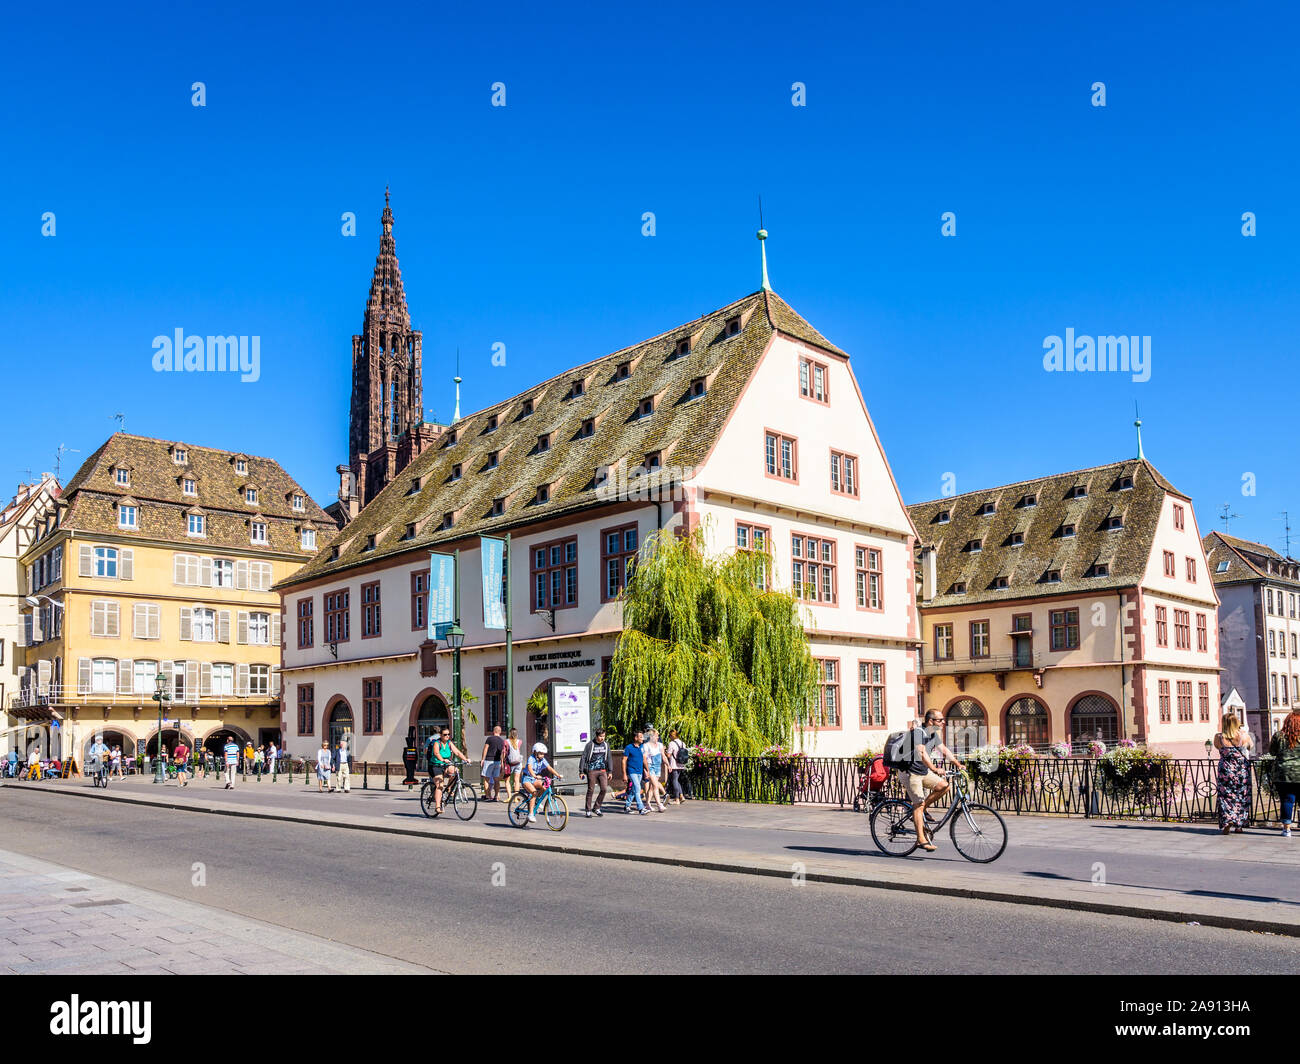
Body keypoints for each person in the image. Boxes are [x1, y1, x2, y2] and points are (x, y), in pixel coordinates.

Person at [901, 710, 964, 853]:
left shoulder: (933, 734)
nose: (943, 722)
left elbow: (944, 750)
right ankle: (920, 839)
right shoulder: (919, 732)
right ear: (931, 721)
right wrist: (935, 769)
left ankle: (920, 812)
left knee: (944, 786)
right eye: (940, 720)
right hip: (910, 773)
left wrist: (957, 764)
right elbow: (921, 752)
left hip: (923, 771)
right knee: (918, 804)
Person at [1214, 713, 1254, 834]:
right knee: (1241, 796)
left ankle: (1227, 821)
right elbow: (1250, 747)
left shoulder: (1219, 737)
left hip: (1225, 770)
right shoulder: (1243, 736)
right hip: (1241, 771)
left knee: (1225, 796)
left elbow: (1217, 747)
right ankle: (1239, 825)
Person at [1269, 709, 1300, 837]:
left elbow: (1272, 752)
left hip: (1283, 773)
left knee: (1287, 800)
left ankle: (1287, 829)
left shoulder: (1278, 736)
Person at [428, 728, 469, 816]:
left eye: (448, 734)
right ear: (441, 735)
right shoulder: (437, 743)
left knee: (455, 770)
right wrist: (443, 759)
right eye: (445, 735)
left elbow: (457, 752)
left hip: (445, 765)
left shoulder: (449, 743)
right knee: (440, 785)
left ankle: (449, 789)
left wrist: (465, 759)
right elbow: (436, 753)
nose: (447, 736)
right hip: (435, 765)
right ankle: (438, 806)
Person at [520, 742, 562, 823]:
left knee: (544, 787)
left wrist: (558, 775)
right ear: (535, 752)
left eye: (543, 754)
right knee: (534, 793)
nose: (542, 755)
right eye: (541, 753)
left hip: (534, 779)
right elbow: (529, 768)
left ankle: (535, 801)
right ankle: (531, 814)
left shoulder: (542, 760)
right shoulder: (531, 758)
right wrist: (534, 775)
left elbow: (549, 768)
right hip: (527, 779)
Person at [580, 727, 612, 817]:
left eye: (604, 736)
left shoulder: (606, 745)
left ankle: (597, 807)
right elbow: (583, 757)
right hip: (591, 770)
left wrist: (610, 771)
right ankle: (588, 810)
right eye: (601, 736)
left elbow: (609, 758)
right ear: (597, 736)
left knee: (604, 789)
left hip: (602, 770)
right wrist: (581, 771)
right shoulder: (590, 745)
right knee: (591, 790)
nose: (602, 738)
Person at [622, 731, 648, 815]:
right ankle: (641, 808)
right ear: (635, 738)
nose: (642, 738)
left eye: (642, 737)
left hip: (639, 771)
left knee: (634, 790)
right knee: (637, 788)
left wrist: (647, 770)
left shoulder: (642, 747)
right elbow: (624, 760)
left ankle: (627, 806)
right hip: (631, 771)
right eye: (640, 737)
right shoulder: (629, 747)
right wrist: (624, 774)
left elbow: (644, 759)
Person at [643, 728, 666, 812]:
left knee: (652, 787)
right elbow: (644, 757)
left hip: (657, 767)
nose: (658, 737)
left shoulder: (660, 745)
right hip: (650, 766)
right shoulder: (646, 745)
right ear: (651, 736)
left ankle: (647, 804)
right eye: (656, 735)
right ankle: (659, 805)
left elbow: (663, 756)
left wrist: (668, 764)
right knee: (656, 785)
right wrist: (646, 770)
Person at [480, 725, 506, 802]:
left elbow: (485, 749)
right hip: (497, 761)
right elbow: (502, 753)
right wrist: (502, 762)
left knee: (486, 779)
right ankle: (496, 796)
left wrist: (482, 759)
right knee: (496, 780)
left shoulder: (489, 739)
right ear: (500, 732)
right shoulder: (502, 741)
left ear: (493, 731)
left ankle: (488, 795)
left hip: (488, 760)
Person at [666, 730, 690, 805]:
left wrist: (664, 752)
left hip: (674, 764)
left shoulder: (672, 743)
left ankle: (676, 799)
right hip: (681, 764)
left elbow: (669, 755)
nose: (669, 738)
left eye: (669, 736)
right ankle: (681, 796)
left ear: (672, 736)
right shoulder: (683, 743)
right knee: (677, 780)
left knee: (674, 780)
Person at [502, 727, 523, 801]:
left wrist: (502, 762)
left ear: (510, 734)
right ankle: (516, 798)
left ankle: (509, 797)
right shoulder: (520, 741)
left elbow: (504, 753)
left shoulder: (506, 742)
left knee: (507, 780)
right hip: (518, 763)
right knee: (516, 780)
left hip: (510, 764)